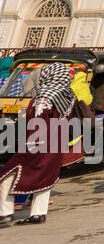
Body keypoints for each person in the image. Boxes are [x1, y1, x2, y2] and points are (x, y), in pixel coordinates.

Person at [0, 63, 78, 226]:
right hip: (56, 145)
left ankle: (5, 213)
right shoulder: (69, 95)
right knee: (46, 178)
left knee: (6, 176)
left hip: (37, 144)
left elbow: (37, 121)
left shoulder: (45, 95)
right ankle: (38, 214)